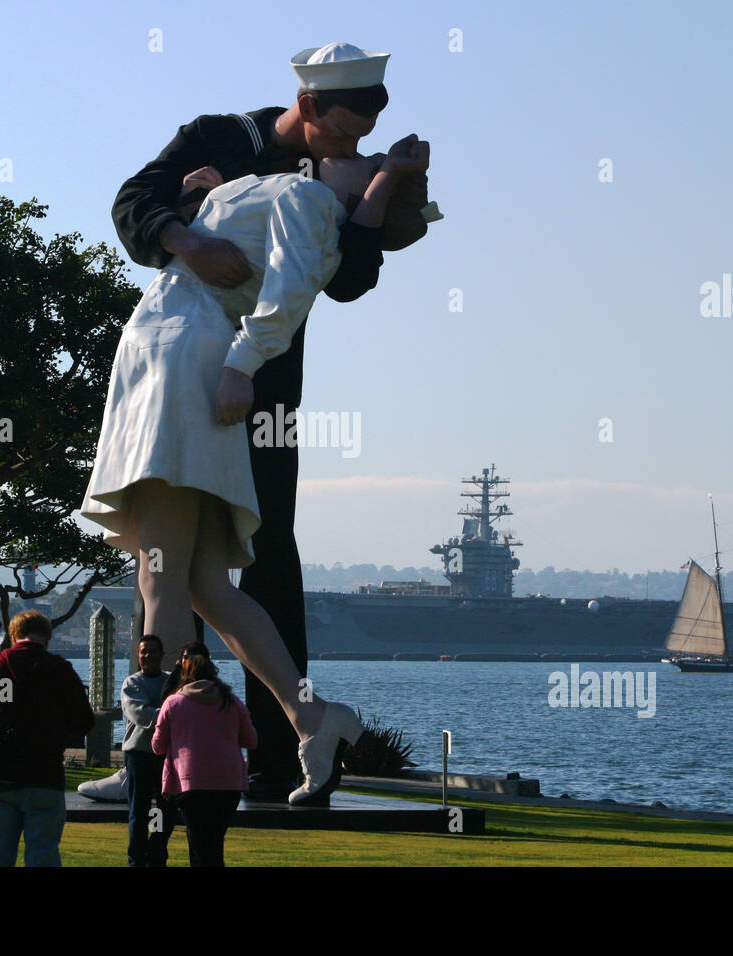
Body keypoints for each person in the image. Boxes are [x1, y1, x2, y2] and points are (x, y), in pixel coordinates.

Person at [110, 41, 432, 802]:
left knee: (235, 561)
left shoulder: (312, 192)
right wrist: (193, 232)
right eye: (345, 134)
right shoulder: (223, 140)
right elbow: (132, 204)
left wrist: (382, 189)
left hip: (242, 380)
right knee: (196, 580)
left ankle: (191, 759)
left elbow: (347, 278)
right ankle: (279, 726)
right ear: (311, 106)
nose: (351, 150)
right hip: (203, 369)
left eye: (364, 145)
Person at [0, 610, 93, 867]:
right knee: (42, 854)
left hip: (0, 774)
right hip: (44, 774)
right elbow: (84, 722)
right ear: (47, 637)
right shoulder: (60, 669)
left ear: (14, 635)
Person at [151, 643, 257, 866]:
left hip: (190, 782)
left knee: (199, 843)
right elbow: (251, 740)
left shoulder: (173, 703)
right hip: (228, 783)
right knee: (214, 844)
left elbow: (158, 746)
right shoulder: (231, 701)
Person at [117, 633, 177, 866]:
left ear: (162, 655)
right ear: (138, 656)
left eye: (152, 651)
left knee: (166, 811)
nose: (147, 655)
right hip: (139, 755)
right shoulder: (131, 684)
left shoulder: (172, 681)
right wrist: (171, 713)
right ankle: (136, 859)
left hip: (166, 757)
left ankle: (156, 852)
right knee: (138, 812)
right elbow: (141, 714)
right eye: (143, 651)